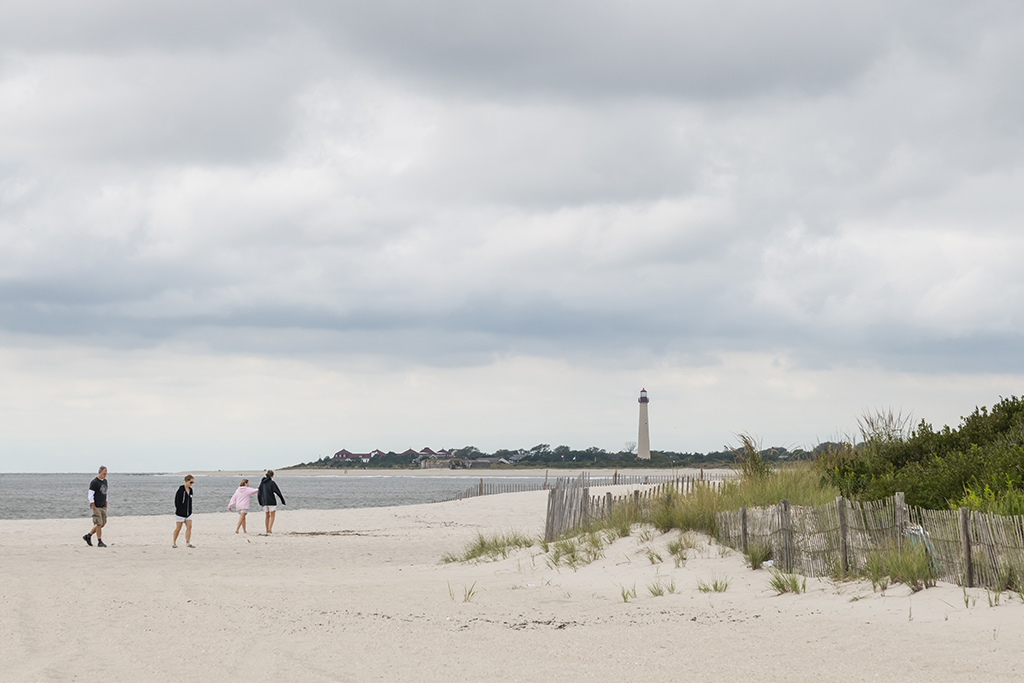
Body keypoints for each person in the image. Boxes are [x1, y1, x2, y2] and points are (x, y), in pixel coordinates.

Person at [83, 466, 108, 547]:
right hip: (96, 506)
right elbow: (90, 495)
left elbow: (105, 493)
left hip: (103, 505)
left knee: (102, 524)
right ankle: (99, 541)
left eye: (106, 474)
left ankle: (88, 536)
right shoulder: (94, 482)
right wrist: (93, 504)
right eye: (104, 474)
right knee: (98, 523)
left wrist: (106, 502)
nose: (105, 475)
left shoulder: (105, 481)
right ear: (99, 472)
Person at [173, 475, 195, 548]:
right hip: (180, 513)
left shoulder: (191, 490)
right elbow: (177, 502)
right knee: (178, 528)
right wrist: (180, 510)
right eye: (191, 482)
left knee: (189, 527)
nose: (191, 484)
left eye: (193, 482)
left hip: (188, 513)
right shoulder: (181, 490)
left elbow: (190, 501)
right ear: (186, 481)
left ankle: (188, 543)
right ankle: (174, 542)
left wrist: (190, 510)